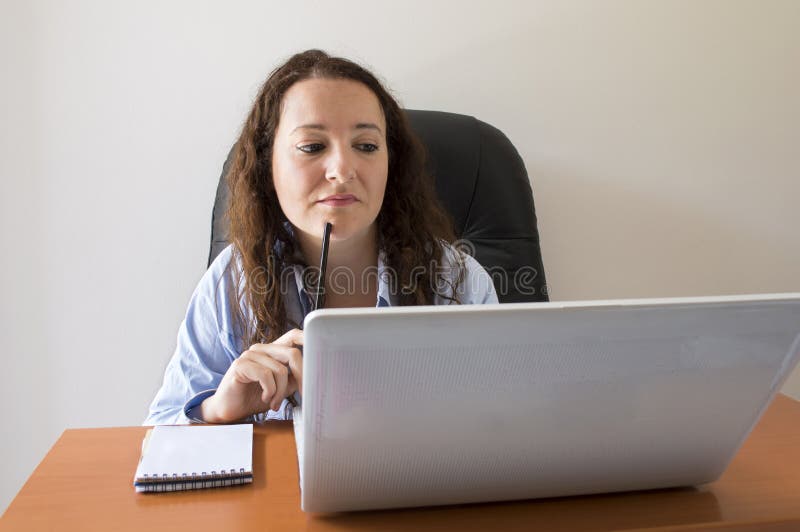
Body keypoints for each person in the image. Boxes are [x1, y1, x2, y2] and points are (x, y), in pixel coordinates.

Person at [145, 50, 498, 425]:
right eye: (312, 147)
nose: (343, 170)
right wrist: (217, 410)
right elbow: (158, 433)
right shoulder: (233, 280)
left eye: (366, 146)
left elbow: (512, 424)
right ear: (268, 166)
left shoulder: (455, 279)